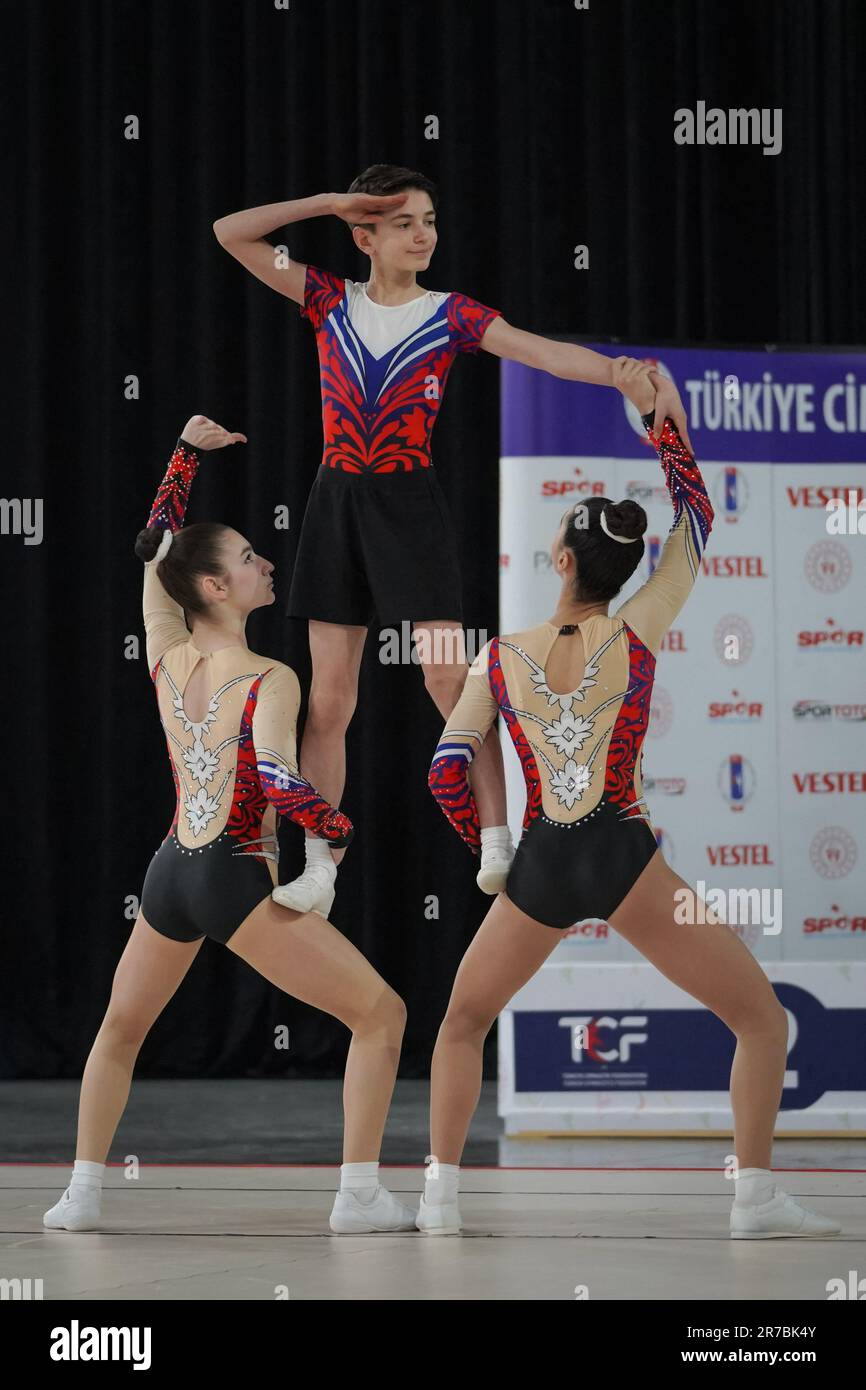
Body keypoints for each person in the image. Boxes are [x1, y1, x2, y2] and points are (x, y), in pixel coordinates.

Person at [422, 361, 841, 1241]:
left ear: (561, 560)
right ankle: (755, 1199)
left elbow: (447, 767)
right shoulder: (640, 625)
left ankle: (439, 1201)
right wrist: (665, 424)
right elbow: (695, 519)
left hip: (539, 863)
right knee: (759, 1019)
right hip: (624, 857)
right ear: (622, 567)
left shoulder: (499, 658)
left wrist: (490, 849)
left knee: (461, 1024)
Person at [212, 163, 692, 917]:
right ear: (364, 234)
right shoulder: (326, 298)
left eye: (430, 220)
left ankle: (498, 839)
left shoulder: (453, 315)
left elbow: (539, 351)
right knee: (330, 700)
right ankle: (320, 865)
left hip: (410, 514)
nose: (425, 233)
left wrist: (620, 375)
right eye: (405, 222)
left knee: (449, 681)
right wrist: (326, 203)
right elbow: (229, 234)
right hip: (335, 508)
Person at [43, 415, 416, 1236]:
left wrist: (181, 457)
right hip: (234, 875)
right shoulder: (268, 678)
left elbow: (153, 552)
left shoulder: (166, 651)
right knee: (381, 1014)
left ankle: (82, 1194)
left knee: (119, 1030)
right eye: (249, 559)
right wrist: (337, 830)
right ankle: (357, 1195)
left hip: (170, 873)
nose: (268, 562)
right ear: (214, 586)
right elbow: (282, 781)